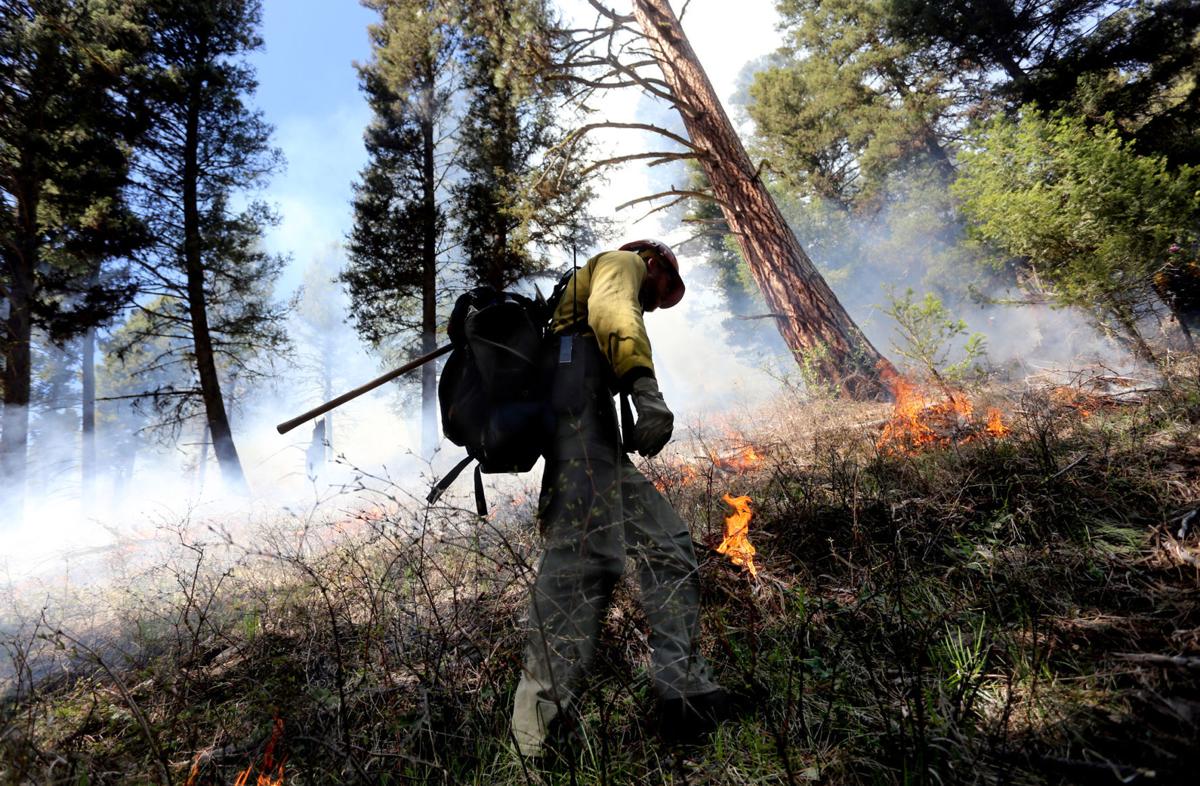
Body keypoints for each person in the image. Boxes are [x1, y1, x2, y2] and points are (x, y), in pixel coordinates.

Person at [510, 239, 729, 757]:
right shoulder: (622, 263)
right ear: (652, 262)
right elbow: (615, 311)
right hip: (579, 418)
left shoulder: (597, 285)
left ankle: (685, 695)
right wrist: (644, 391)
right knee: (579, 563)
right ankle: (532, 741)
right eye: (664, 286)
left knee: (667, 541)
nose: (660, 299)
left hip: (589, 422)